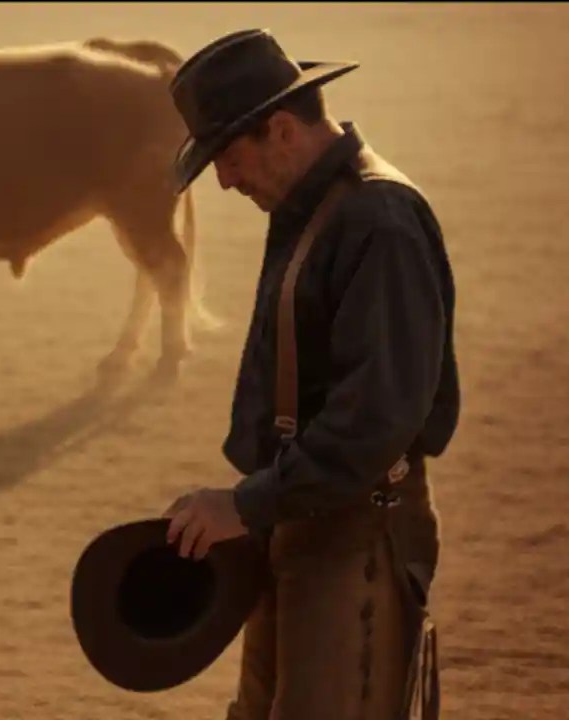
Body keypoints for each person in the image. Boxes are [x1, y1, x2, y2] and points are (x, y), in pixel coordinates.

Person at [160, 29, 460, 720]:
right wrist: (254, 503)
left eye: (228, 158)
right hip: (301, 518)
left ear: (282, 130)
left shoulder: (377, 221)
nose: (225, 180)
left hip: (357, 533)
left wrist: (246, 503)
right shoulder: (318, 208)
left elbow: (376, 420)